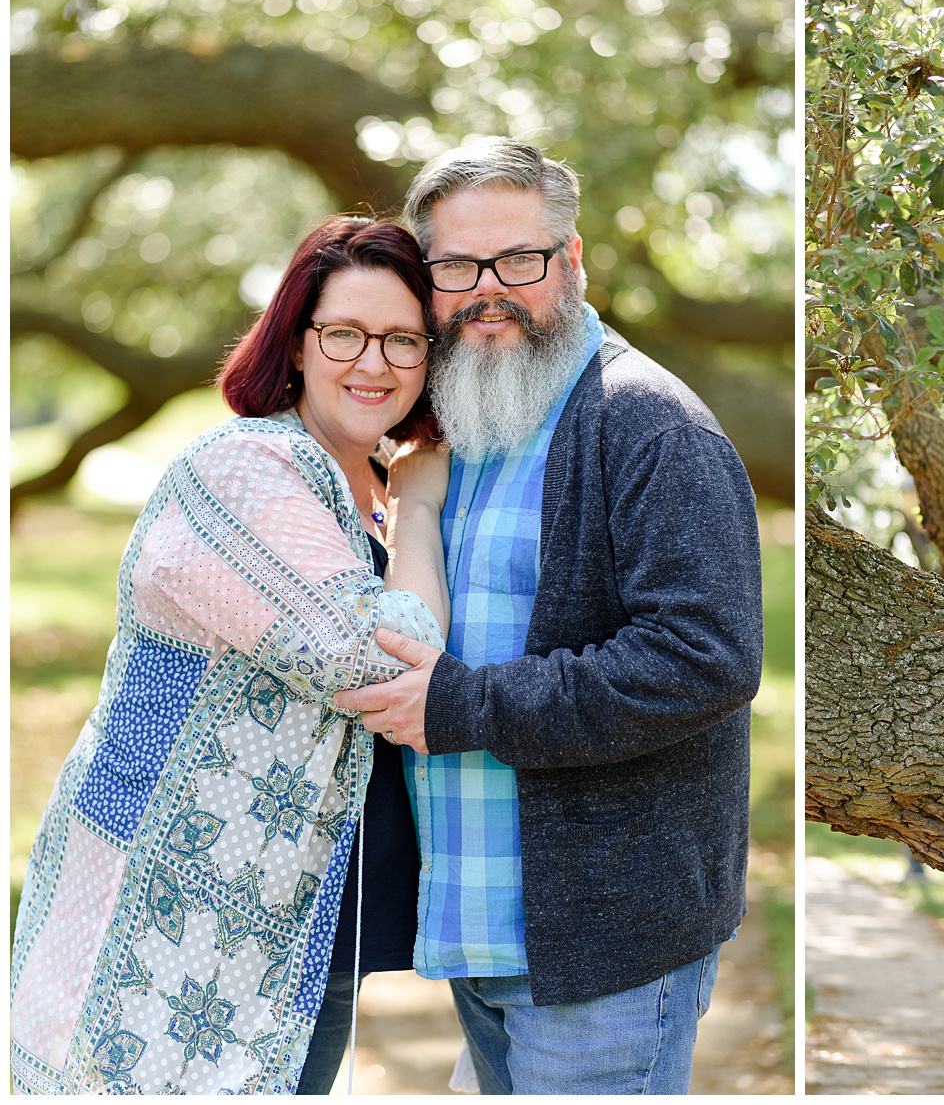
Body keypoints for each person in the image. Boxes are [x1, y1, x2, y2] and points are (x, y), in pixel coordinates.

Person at [333, 138, 764, 1095]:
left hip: (600, 941)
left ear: (571, 263)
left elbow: (706, 656)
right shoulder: (463, 421)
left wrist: (467, 706)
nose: (489, 289)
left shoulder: (648, 421)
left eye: (518, 260)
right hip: (479, 924)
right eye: (456, 266)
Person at [10, 217, 451, 1094]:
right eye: (345, 334)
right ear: (295, 340)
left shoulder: (358, 486)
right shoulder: (247, 470)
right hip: (170, 915)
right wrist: (424, 512)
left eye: (404, 338)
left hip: (284, 918)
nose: (376, 362)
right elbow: (393, 663)